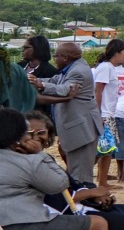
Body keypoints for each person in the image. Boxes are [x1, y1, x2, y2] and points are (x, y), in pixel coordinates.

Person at [0, 107, 114, 230]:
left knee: (76, 228)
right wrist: (38, 155)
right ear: (17, 136)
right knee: (97, 225)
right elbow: (60, 184)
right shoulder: (24, 161)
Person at [29, 42, 99, 179]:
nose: (53, 59)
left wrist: (41, 85)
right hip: (76, 129)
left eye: (55, 56)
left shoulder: (78, 71)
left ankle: (84, 198)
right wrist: (35, 81)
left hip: (81, 129)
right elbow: (54, 81)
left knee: (80, 174)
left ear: (65, 57)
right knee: (75, 170)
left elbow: (65, 89)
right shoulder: (71, 68)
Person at [90, 39, 124, 189]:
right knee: (103, 148)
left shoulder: (109, 67)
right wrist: (98, 114)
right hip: (104, 114)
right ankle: (85, 177)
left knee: (107, 149)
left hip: (108, 113)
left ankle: (102, 182)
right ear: (117, 53)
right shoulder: (105, 68)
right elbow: (98, 91)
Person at [0, 44, 37, 113]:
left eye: (26, 47)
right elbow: (33, 96)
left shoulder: (15, 69)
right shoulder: (17, 69)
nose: (23, 50)